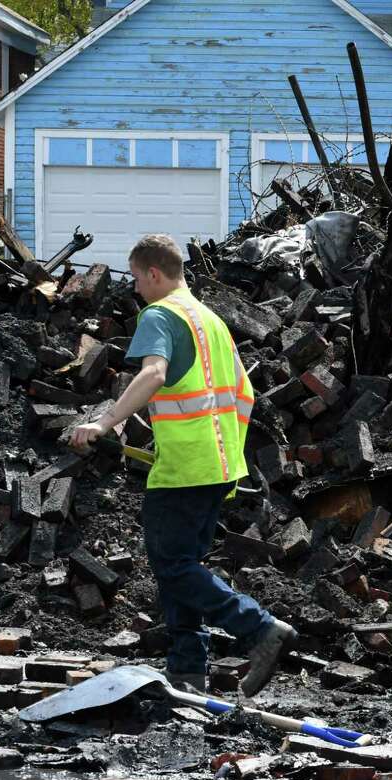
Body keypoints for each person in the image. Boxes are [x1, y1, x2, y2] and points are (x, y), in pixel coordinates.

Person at [71, 234, 297, 696]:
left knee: (173, 566)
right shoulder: (210, 319)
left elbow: (153, 374)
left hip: (184, 466)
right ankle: (188, 672)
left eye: (136, 279)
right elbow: (242, 393)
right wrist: (221, 447)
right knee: (183, 565)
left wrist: (107, 421)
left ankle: (260, 628)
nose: (135, 289)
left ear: (153, 273)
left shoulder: (160, 314)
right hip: (219, 463)